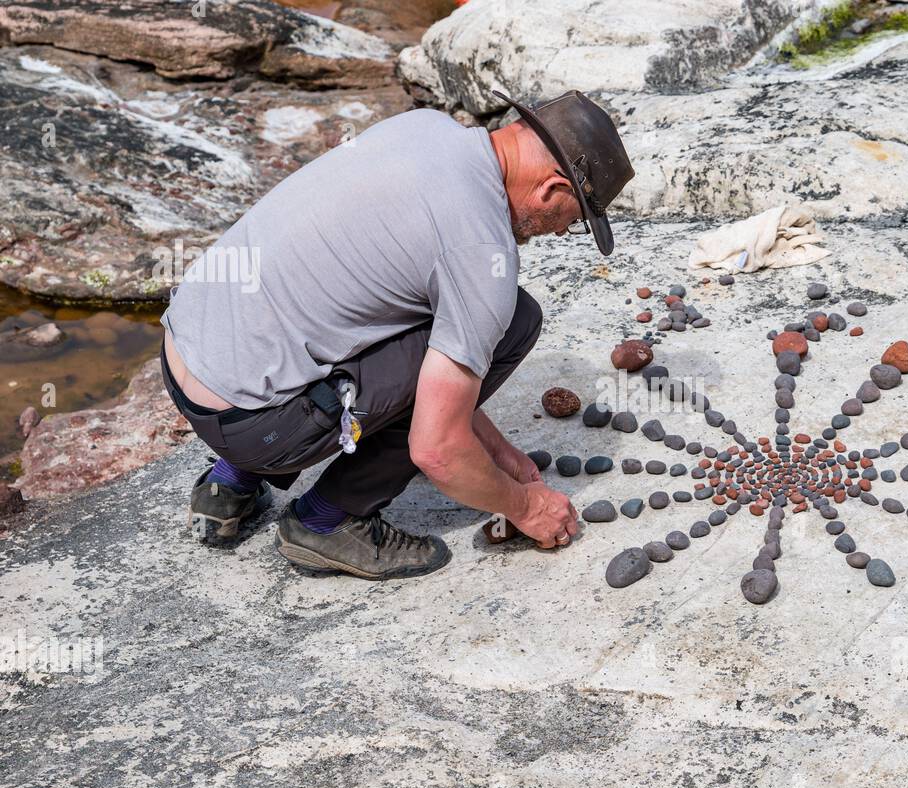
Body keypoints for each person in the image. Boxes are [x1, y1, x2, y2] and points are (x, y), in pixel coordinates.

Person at [159, 91, 635, 579]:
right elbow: (437, 448)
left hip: (186, 352)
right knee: (515, 321)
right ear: (552, 189)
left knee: (383, 296)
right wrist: (526, 508)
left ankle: (231, 485)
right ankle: (325, 521)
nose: (560, 233)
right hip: (252, 423)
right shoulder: (480, 252)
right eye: (573, 220)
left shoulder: (426, 128)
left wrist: (495, 451)